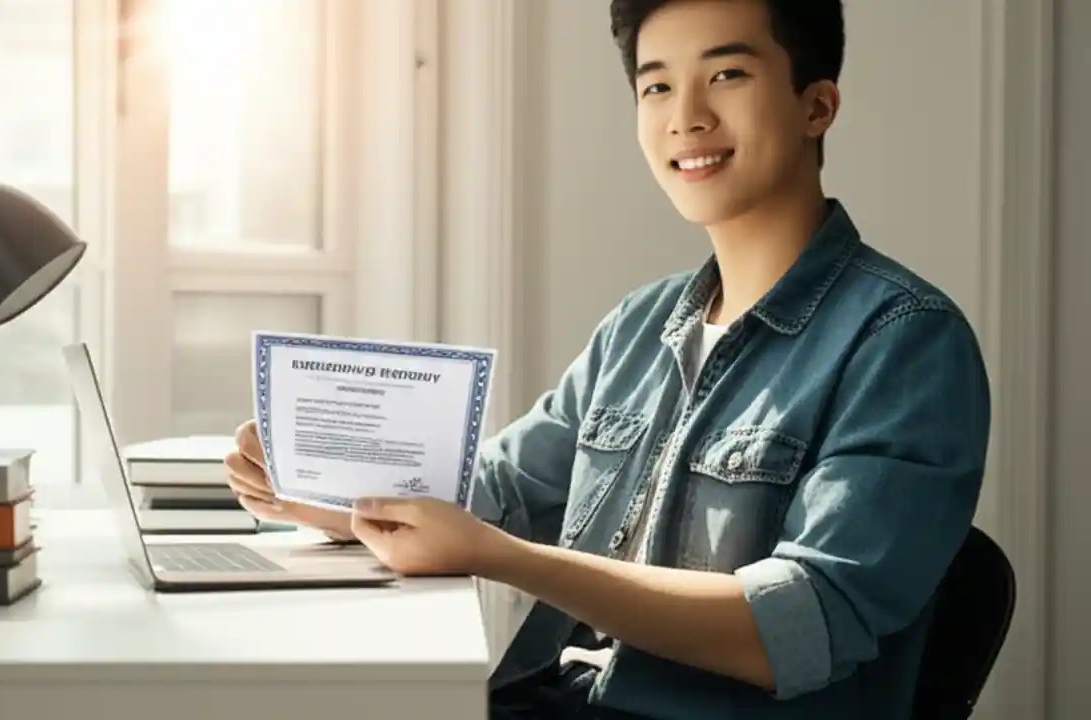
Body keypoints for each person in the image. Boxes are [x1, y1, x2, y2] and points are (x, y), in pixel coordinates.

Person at [225, 0, 991, 717]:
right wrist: (321, 491)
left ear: (816, 104)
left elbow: (804, 620)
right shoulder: (642, 324)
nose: (685, 118)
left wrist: (509, 559)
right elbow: (495, 491)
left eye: (726, 75)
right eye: (656, 87)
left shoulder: (905, 340)